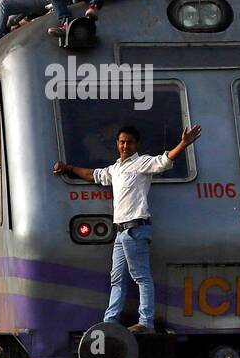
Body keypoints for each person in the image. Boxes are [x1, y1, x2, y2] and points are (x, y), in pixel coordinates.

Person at [52, 123, 202, 332]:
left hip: (136, 229)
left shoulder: (142, 163)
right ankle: (110, 322)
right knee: (117, 279)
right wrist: (68, 168)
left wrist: (183, 144)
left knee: (141, 276)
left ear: (136, 144)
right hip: (121, 233)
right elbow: (92, 174)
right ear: (117, 144)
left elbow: (164, 161)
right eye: (122, 142)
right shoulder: (115, 169)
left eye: (129, 142)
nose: (125, 146)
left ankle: (146, 322)